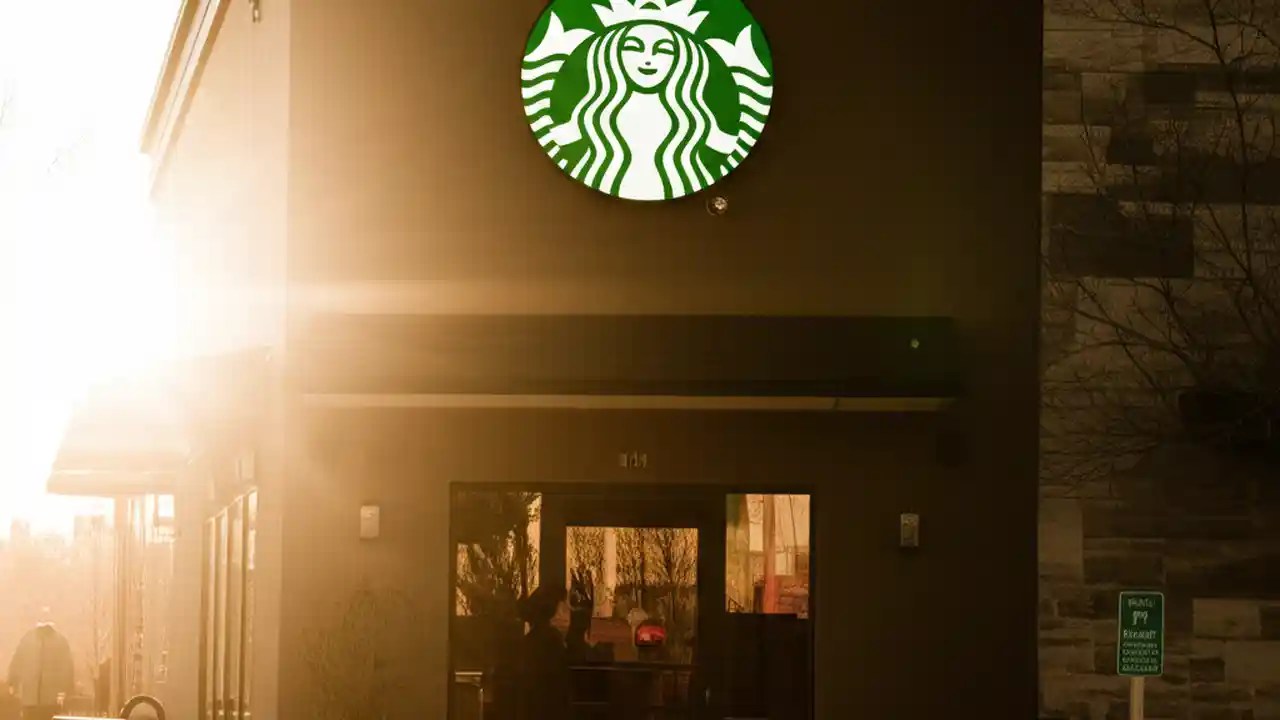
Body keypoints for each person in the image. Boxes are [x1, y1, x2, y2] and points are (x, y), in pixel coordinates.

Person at [514, 585, 572, 720]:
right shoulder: (552, 643)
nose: (568, 612)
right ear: (553, 611)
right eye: (564, 607)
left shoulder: (528, 641)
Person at [6, 620, 74, 720]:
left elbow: (17, 661)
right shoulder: (60, 641)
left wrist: (13, 683)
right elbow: (67, 669)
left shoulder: (27, 639)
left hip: (33, 699)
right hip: (47, 700)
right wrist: (65, 691)